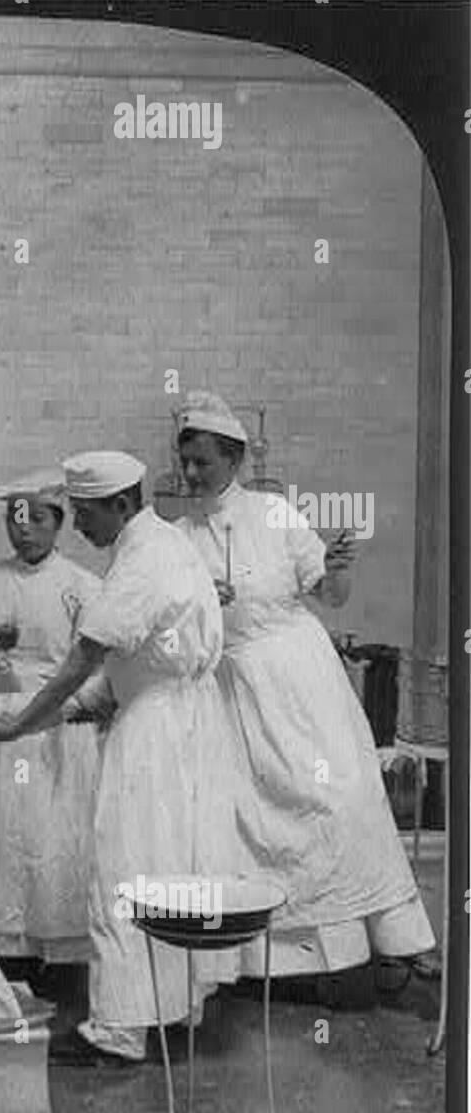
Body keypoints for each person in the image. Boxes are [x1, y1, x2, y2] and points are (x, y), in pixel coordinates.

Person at [0, 451, 252, 1065]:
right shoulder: (163, 546)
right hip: (183, 723)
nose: (79, 527)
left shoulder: (142, 559)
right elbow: (119, 675)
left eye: (86, 514)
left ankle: (120, 1027)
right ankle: (173, 1008)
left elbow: (84, 661)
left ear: (121, 505)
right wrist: (28, 718)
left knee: (124, 867)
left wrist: (20, 719)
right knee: (175, 862)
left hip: (154, 733)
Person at [173, 390, 436, 978]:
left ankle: (390, 936)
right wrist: (200, 607)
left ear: (234, 461)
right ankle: (291, 963)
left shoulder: (276, 516)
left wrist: (338, 569)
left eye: (203, 462)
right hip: (233, 688)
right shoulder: (179, 536)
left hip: (301, 678)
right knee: (251, 818)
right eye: (184, 461)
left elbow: (328, 594)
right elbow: (175, 623)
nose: (190, 473)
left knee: (341, 796)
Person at [0, 468, 109, 962]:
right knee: (6, 830)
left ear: (58, 523)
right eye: (14, 518)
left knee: (57, 832)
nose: (22, 528)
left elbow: (94, 664)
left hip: (59, 719)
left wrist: (70, 707)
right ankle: (7, 946)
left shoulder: (82, 585)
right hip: (6, 717)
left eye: (34, 518)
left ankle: (62, 946)